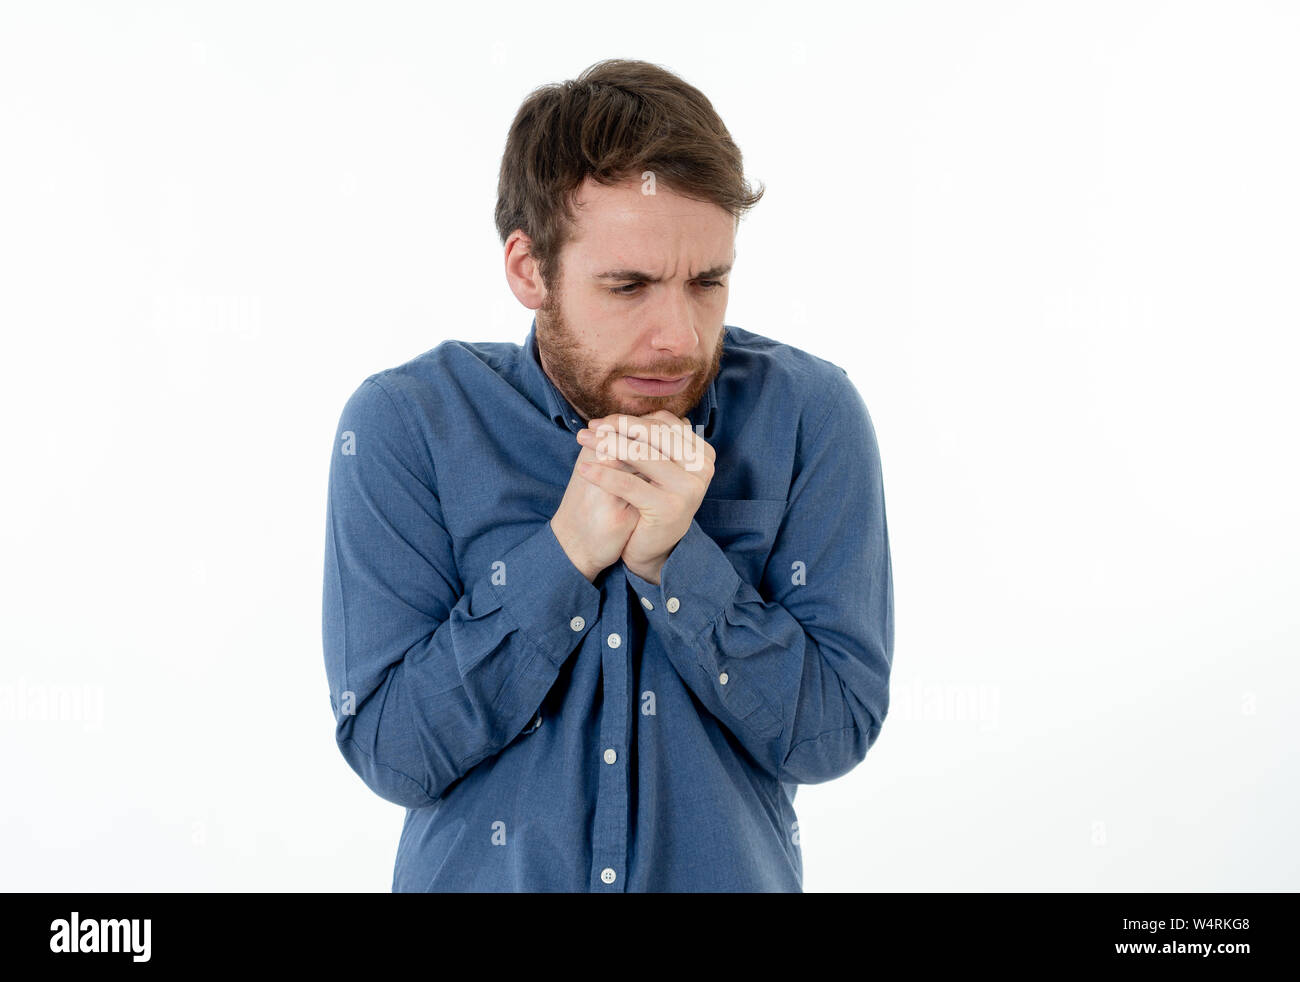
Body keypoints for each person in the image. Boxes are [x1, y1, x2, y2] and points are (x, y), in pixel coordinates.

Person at [321, 58, 894, 892]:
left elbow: (832, 734)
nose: (680, 339)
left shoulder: (811, 415)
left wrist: (679, 569)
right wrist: (565, 554)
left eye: (708, 283)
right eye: (628, 286)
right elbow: (391, 753)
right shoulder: (406, 426)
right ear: (528, 269)